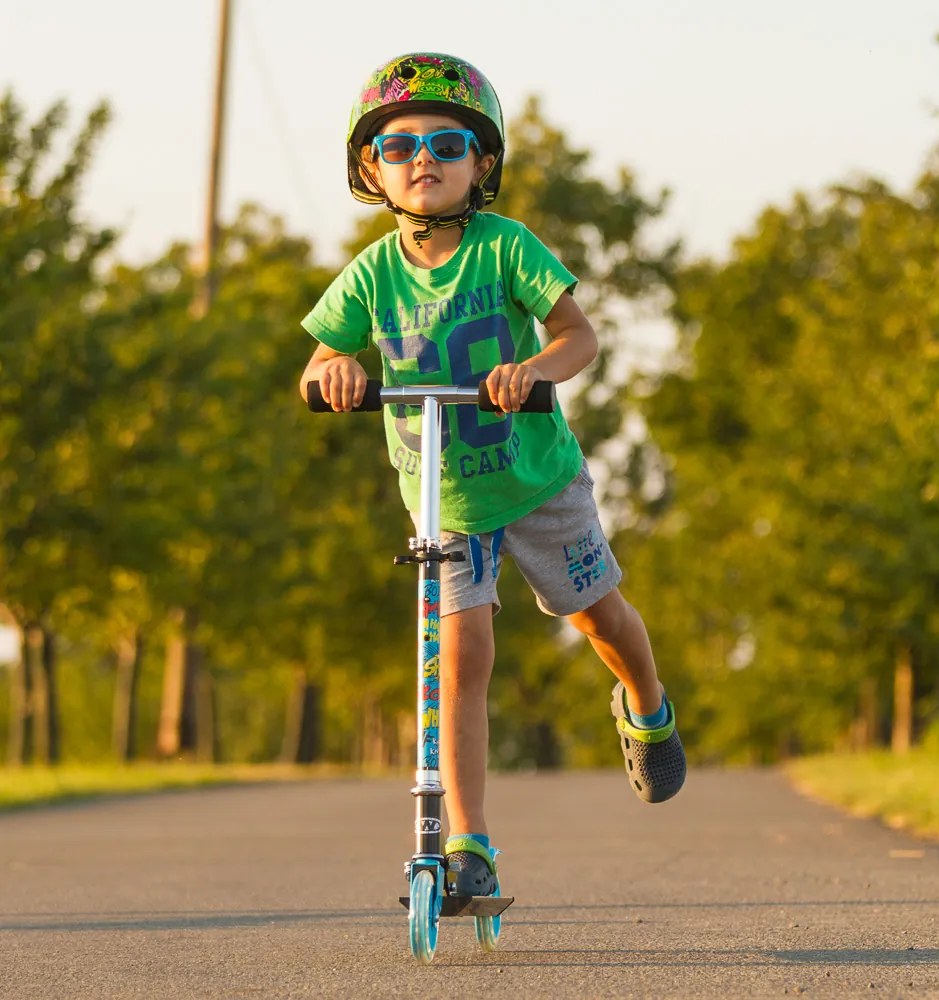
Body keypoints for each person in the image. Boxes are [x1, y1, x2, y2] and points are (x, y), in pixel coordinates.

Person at [300, 52, 685, 896]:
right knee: (459, 658)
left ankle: (647, 704)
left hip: (537, 481)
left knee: (598, 616)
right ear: (372, 168)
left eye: (447, 144)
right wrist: (338, 371)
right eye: (399, 147)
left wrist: (535, 369)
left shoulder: (506, 247)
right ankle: (468, 844)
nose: (423, 160)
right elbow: (318, 363)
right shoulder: (371, 274)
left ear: (481, 164)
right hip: (444, 498)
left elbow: (578, 335)